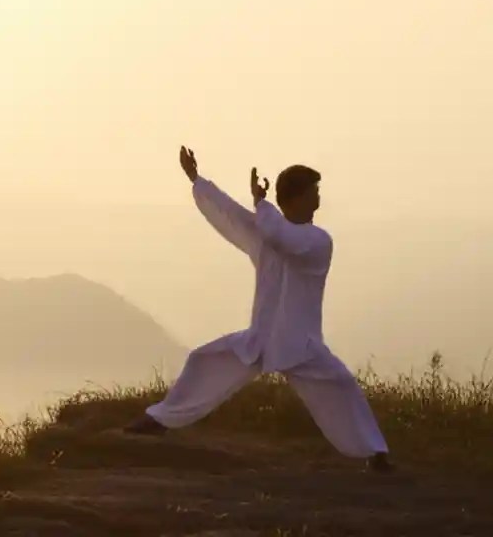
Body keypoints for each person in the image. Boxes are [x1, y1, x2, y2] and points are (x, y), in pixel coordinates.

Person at [124, 146, 393, 473]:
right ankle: (160, 419)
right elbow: (229, 214)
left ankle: (376, 454)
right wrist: (197, 179)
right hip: (261, 338)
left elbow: (283, 238)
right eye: (313, 193)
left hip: (300, 345)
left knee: (342, 387)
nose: (319, 201)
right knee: (203, 360)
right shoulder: (268, 230)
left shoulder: (317, 241)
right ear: (294, 200)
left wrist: (261, 203)